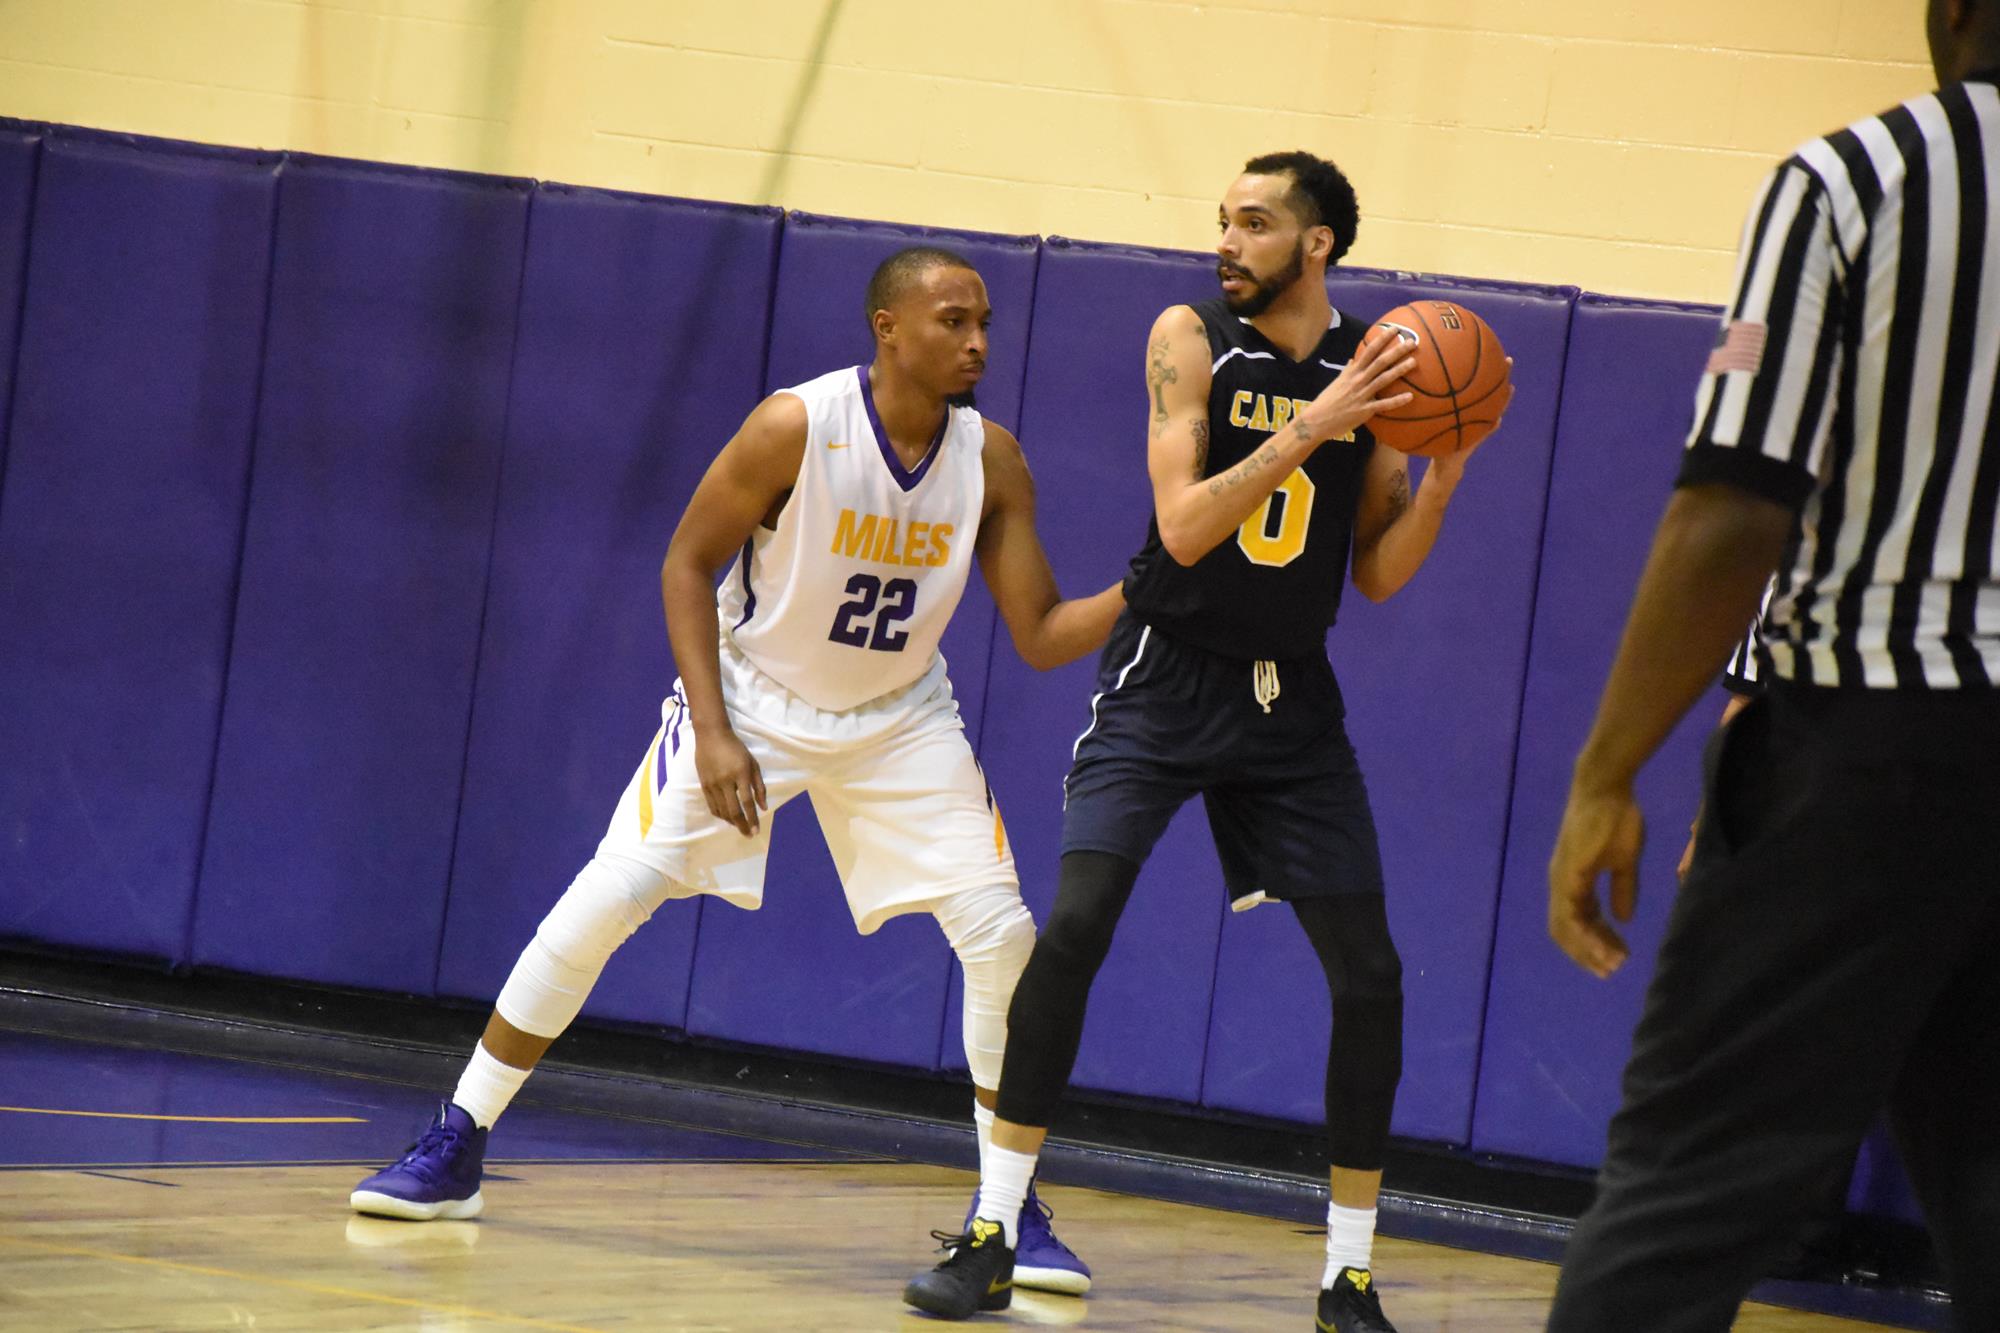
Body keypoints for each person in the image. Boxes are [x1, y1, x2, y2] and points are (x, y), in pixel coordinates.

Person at [350, 245, 1122, 1298]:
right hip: (754, 697)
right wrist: (711, 729)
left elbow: (1036, 634)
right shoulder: (794, 426)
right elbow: (684, 561)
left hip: (900, 719)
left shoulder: (992, 459)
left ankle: (1005, 1207)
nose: (977, 341)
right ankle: (458, 1139)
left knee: (1000, 934)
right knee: (611, 892)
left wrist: (1146, 587)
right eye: (952, 321)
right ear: (887, 327)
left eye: (984, 321)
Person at [904, 150, 1509, 1330]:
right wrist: (1317, 423)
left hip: (1292, 702)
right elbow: (1180, 529)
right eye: (1223, 219)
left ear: (1317, 243)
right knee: (1070, 927)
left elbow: (1376, 575)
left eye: (1254, 222)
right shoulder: (1189, 339)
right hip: (1163, 678)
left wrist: (1439, 482)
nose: (1226, 239)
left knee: (1371, 975)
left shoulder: (1377, 362)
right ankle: (991, 1228)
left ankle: (1346, 1277)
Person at [1545, 3, 2000, 1326]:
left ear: (1953, 14)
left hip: (1874, 727)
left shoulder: (1856, 180)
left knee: (1691, 1183)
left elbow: (1733, 507)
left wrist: (1607, 769)